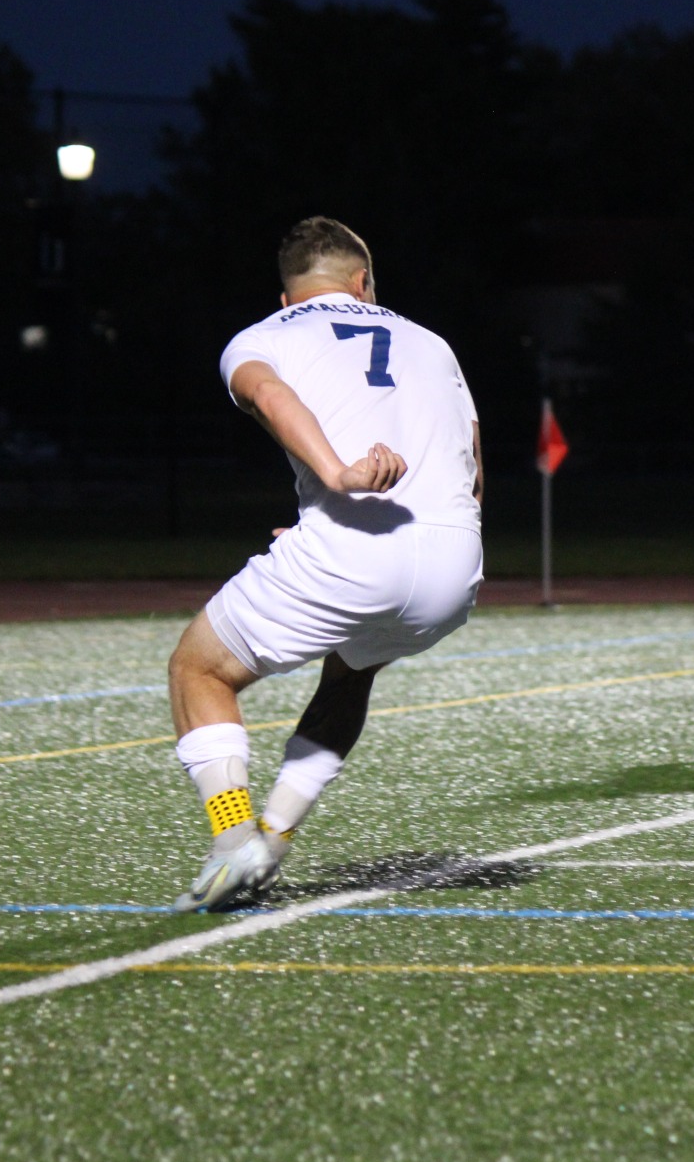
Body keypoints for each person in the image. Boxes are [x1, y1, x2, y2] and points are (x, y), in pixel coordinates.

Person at [165, 217, 484, 912]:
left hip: (354, 554)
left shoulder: (263, 336)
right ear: (364, 283)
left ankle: (231, 840)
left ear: (288, 298)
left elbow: (274, 398)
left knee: (198, 668)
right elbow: (473, 466)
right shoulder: (434, 343)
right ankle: (273, 836)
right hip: (456, 565)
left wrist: (338, 479)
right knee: (350, 672)